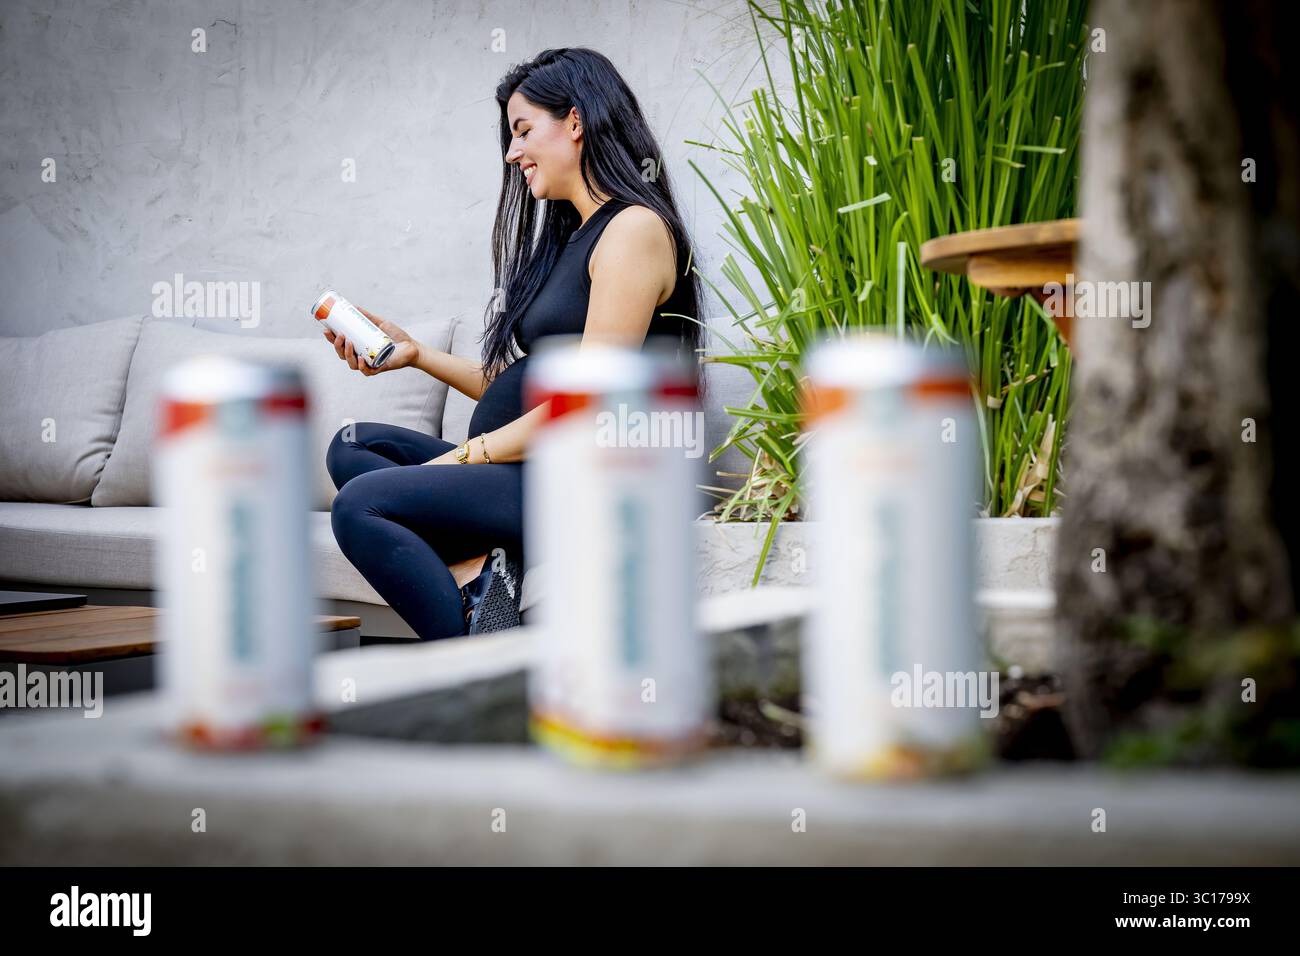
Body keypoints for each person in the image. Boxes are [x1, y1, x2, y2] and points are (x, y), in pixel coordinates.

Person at [324, 47, 702, 641]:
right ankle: (483, 567)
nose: (512, 152)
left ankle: (482, 663)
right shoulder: (575, 236)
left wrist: (467, 455)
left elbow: (587, 403)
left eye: (523, 130)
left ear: (575, 122)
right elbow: (521, 381)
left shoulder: (633, 229)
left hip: (583, 478)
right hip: (530, 465)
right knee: (351, 446)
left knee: (359, 505)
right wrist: (417, 355)